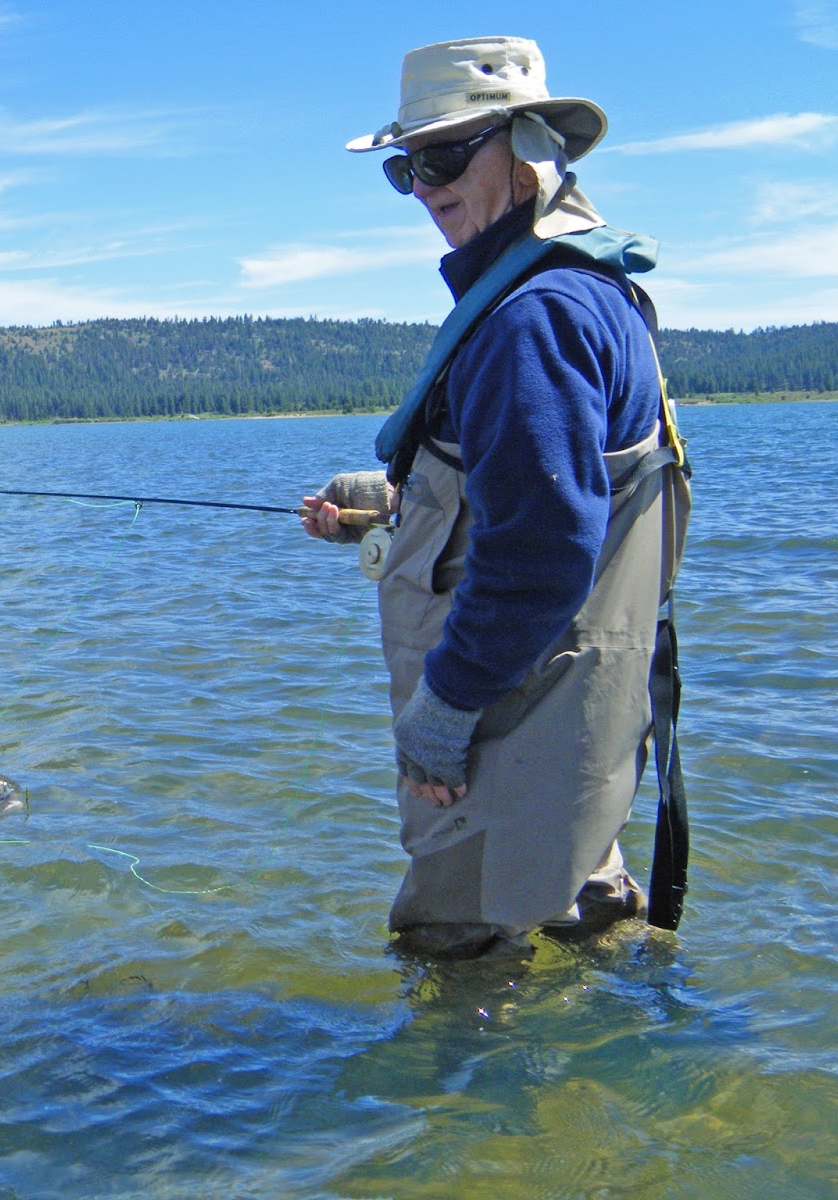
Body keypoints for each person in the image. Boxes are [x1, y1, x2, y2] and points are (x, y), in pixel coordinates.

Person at [302, 37, 690, 959]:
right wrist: (393, 501)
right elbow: (545, 490)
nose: (424, 186)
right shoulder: (586, 292)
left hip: (501, 729)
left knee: (456, 954)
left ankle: (469, 1107)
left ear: (526, 155)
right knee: (582, 925)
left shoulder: (531, 319)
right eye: (406, 167)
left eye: (444, 155)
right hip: (565, 729)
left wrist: (443, 713)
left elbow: (545, 547)